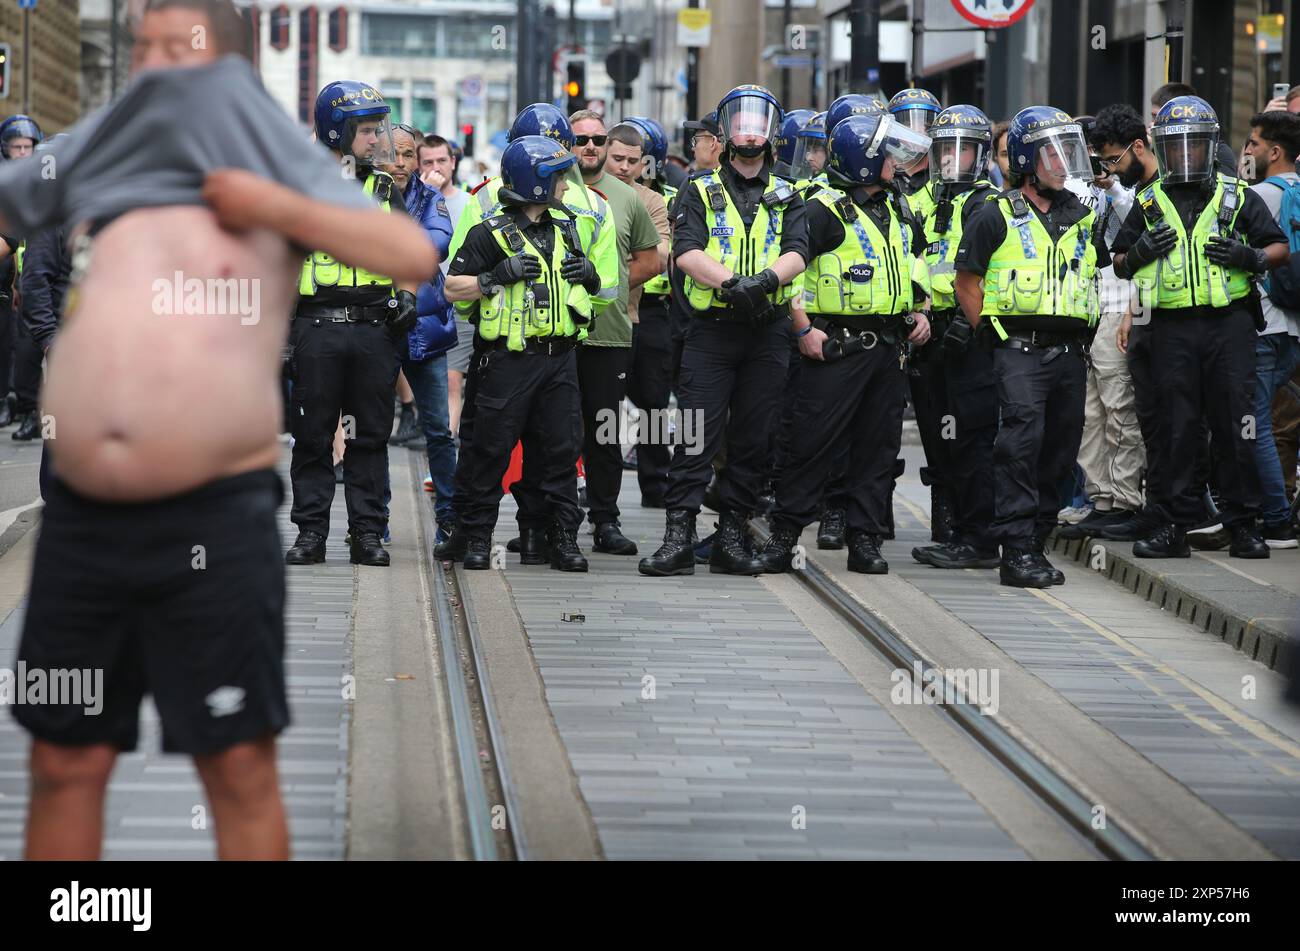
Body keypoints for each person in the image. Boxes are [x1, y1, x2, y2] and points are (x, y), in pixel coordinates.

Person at [0, 0, 435, 861]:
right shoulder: (101, 151)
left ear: (230, 68)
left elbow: (410, 256)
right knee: (64, 759)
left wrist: (268, 203)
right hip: (84, 521)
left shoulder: (274, 157)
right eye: (146, 46)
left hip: (213, 518)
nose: (157, 62)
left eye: (178, 45)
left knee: (235, 767)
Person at [435, 103, 618, 565]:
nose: (566, 184)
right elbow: (452, 286)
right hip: (505, 360)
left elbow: (603, 287)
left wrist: (591, 277)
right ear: (537, 181)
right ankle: (476, 538)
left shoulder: (572, 226)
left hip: (560, 358)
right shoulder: (488, 229)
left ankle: (560, 538)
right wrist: (495, 276)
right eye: (557, 176)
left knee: (559, 452)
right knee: (488, 451)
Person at [639, 84, 809, 577]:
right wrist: (733, 283)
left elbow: (799, 251)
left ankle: (731, 536)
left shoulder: (788, 192)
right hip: (713, 330)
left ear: (772, 133)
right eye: (741, 123)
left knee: (756, 438)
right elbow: (686, 251)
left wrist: (764, 283)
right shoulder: (699, 189)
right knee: (695, 433)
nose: (750, 132)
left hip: (768, 331)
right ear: (727, 132)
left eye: (759, 124)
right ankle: (678, 536)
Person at [1112, 96, 1288, 559]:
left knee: (1236, 425)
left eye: (1194, 145)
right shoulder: (1148, 201)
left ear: (1210, 147)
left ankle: (1243, 524)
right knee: (1177, 428)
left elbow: (1278, 248)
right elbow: (1118, 262)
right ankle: (1173, 524)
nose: (1185, 154)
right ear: (1163, 150)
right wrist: (1141, 251)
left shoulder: (1238, 195)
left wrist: (1248, 257)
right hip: (1169, 327)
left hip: (1228, 324)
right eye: (1175, 146)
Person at [758, 113, 932, 574]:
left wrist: (922, 310)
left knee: (877, 449)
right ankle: (783, 537)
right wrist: (802, 329)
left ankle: (865, 540)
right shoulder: (820, 209)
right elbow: (787, 270)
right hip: (836, 345)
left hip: (889, 347)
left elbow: (913, 264)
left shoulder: (897, 205)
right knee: (810, 442)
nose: (897, 161)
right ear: (863, 161)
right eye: (887, 153)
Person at [954, 106, 1110, 588]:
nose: (1063, 163)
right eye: (1053, 153)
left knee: (1061, 449)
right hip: (1018, 349)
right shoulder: (994, 213)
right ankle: (1016, 550)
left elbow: (1096, 274)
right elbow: (966, 282)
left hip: (1069, 354)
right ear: (1026, 159)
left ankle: (1037, 541)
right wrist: (994, 335)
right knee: (1020, 443)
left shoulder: (1082, 216)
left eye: (1069, 152)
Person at [284, 81, 421, 569]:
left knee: (369, 437)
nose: (374, 140)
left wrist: (406, 294)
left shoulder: (384, 188)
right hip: (315, 329)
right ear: (337, 132)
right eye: (365, 131)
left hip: (372, 330)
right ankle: (310, 534)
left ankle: (367, 534)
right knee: (313, 436)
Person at [909, 105, 1003, 570]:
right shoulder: (920, 198)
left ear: (981, 156)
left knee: (972, 435)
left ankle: (978, 535)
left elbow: (994, 270)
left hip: (969, 330)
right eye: (946, 150)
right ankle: (951, 528)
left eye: (963, 151)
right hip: (928, 329)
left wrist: (971, 322)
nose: (953, 160)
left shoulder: (989, 202)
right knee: (936, 433)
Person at [567, 115, 663, 554]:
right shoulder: (547, 187)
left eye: (597, 139)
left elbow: (651, 259)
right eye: (581, 139)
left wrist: (607, 288)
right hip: (552, 334)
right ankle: (551, 517)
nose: (590, 146)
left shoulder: (628, 198)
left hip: (608, 333)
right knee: (554, 431)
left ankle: (605, 520)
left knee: (604, 432)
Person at [1056, 104, 1148, 540]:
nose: (1100, 165)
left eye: (1108, 157)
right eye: (1094, 155)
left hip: (1118, 306)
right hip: (1086, 309)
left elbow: (1131, 230)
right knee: (1089, 414)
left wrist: (1112, 187)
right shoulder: (1069, 186)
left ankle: (1126, 500)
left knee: (1118, 409)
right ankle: (1101, 499)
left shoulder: (1133, 190)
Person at [380, 122, 457, 540]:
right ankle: (375, 521)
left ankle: (449, 516)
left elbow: (436, 245)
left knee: (439, 431)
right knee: (372, 429)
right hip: (375, 327)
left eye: (409, 154)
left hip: (426, 328)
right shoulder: (362, 198)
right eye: (393, 153)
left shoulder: (430, 198)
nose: (402, 162)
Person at [1238, 110, 1300, 547]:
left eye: (1254, 144)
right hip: (1294, 328)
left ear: (1274, 151)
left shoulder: (1258, 195)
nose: (1247, 151)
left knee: (1255, 422)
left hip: (1262, 325)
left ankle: (1276, 519)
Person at [622, 116, 677, 509]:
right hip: (616, 308)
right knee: (603, 402)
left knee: (654, 402)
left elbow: (665, 254)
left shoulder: (670, 199)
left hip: (658, 310)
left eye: (635, 159)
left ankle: (656, 483)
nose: (626, 167)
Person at [420, 133, 475, 437]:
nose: (436, 167)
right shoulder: (416, 199)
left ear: (453, 162)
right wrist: (428, 194)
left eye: (442, 160)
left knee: (453, 378)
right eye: (428, 162)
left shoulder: (469, 203)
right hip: (425, 302)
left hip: (459, 301)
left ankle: (448, 439)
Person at [2, 116, 46, 441]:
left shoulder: (42, 182)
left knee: (26, 347)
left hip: (38, 278)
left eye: (26, 146)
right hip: (18, 280)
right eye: (15, 146)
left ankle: (27, 407)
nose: (21, 152)